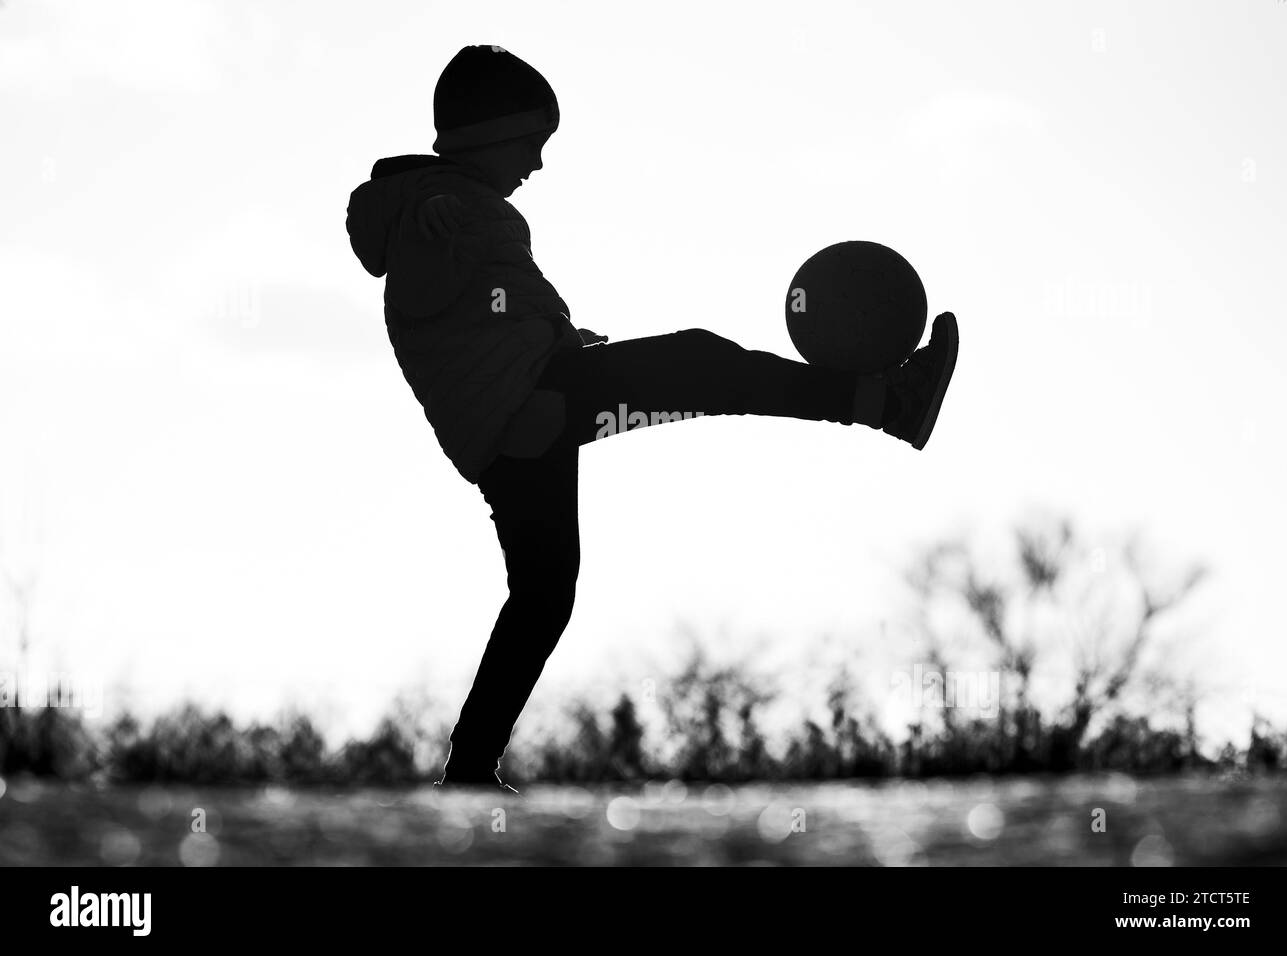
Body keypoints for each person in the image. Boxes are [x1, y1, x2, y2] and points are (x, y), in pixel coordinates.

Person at [345, 45, 959, 793]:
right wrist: (450, 254)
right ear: (485, 136)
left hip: (517, 429)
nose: (536, 164)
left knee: (544, 594)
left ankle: (469, 770)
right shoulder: (437, 212)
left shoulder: (450, 207)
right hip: (531, 407)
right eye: (530, 143)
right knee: (699, 365)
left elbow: (476, 325)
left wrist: (564, 344)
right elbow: (423, 292)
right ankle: (884, 402)